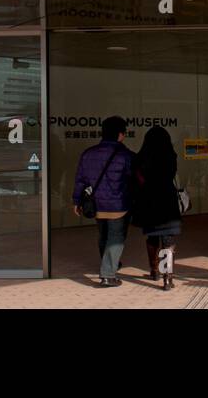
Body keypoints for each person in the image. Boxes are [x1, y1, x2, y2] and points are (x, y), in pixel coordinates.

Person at [72, 115, 134, 287]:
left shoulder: (88, 154)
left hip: (96, 205)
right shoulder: (126, 155)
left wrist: (76, 201)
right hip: (118, 205)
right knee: (116, 237)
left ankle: (110, 263)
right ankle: (108, 274)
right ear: (120, 134)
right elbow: (132, 179)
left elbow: (80, 180)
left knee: (104, 235)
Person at [132, 125, 182, 290]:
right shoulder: (170, 156)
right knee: (167, 241)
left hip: (149, 201)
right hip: (167, 200)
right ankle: (167, 278)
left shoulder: (141, 157)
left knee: (152, 238)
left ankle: (154, 271)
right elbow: (172, 174)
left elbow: (137, 178)